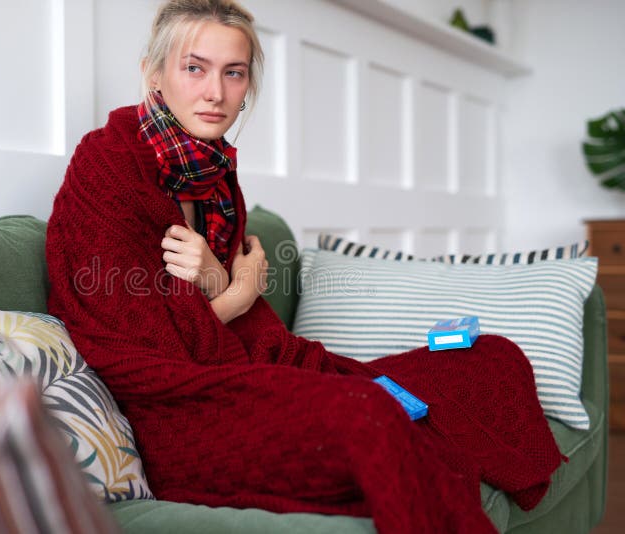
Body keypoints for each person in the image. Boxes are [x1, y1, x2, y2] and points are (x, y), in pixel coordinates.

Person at [45, 1, 562, 533]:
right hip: (179, 409)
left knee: (488, 359)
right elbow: (129, 352)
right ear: (154, 74)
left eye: (234, 73)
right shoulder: (106, 167)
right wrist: (236, 295)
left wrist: (220, 287)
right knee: (369, 412)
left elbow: (220, 320)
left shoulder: (216, 177)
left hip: (245, 367)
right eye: (194, 68)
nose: (215, 93)